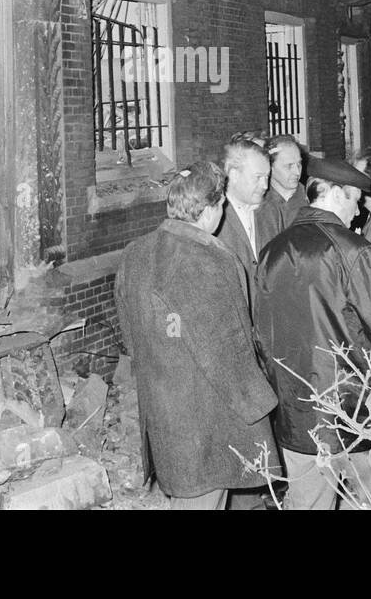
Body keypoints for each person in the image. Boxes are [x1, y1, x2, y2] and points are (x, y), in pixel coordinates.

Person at [116, 162, 279, 510]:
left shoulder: (134, 254)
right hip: (206, 423)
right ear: (210, 209)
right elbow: (226, 348)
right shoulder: (208, 259)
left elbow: (131, 337)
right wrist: (261, 403)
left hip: (165, 414)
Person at [254, 156, 371, 509]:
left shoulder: (271, 250)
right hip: (348, 411)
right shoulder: (354, 251)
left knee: (306, 501)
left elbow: (260, 334)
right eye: (356, 199)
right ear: (337, 193)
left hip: (292, 409)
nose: (359, 211)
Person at [216, 137, 284, 304]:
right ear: (234, 175)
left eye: (267, 177)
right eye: (258, 177)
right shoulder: (214, 218)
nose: (265, 185)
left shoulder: (272, 212)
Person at [264, 134, 307, 226]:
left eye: (299, 164)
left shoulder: (311, 199)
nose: (297, 172)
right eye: (289, 165)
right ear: (270, 167)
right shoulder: (258, 203)